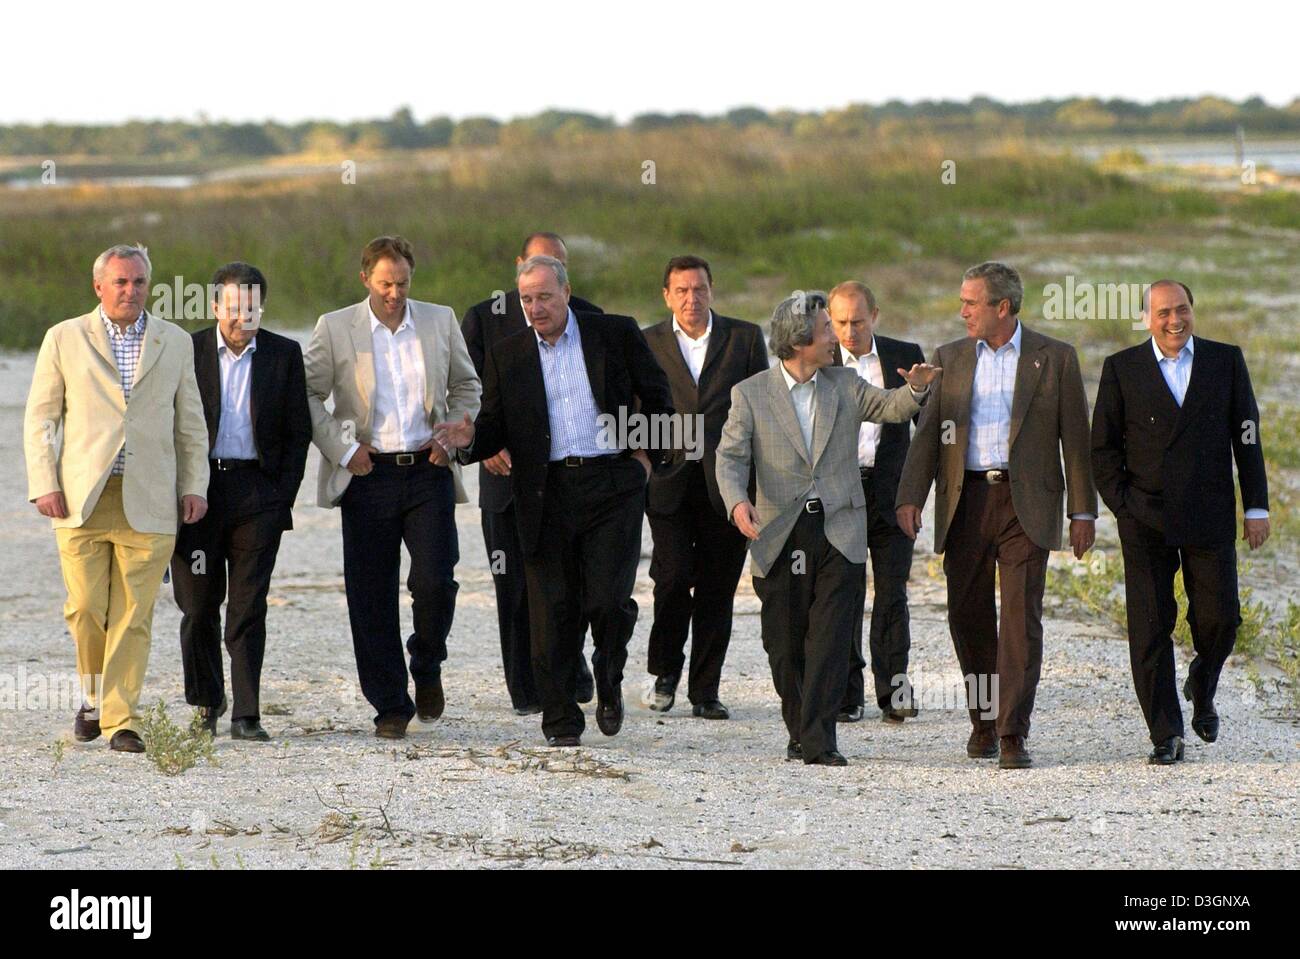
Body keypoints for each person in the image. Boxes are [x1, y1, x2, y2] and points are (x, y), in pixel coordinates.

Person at [436, 255, 674, 748]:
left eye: (544, 296)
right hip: (544, 492)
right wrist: (469, 438)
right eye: (527, 299)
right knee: (551, 611)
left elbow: (658, 398)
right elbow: (495, 425)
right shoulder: (509, 353)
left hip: (612, 485)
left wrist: (646, 462)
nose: (536, 308)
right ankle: (562, 721)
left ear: (567, 292)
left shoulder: (614, 333)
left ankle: (608, 672)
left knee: (607, 601)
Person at [716, 291, 938, 766]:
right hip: (779, 534)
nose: (835, 338)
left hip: (839, 530)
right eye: (825, 330)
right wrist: (737, 502)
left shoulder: (845, 383)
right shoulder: (750, 394)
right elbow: (730, 458)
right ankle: (800, 729)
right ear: (799, 342)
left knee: (831, 639)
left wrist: (916, 390)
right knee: (784, 644)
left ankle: (820, 740)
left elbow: (891, 407)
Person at [896, 262, 1096, 770]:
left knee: (1020, 621)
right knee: (968, 615)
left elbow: (1076, 440)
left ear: (1002, 307)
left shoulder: (1055, 358)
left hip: (1026, 503)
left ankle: (1012, 732)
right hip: (965, 502)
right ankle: (983, 720)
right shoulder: (949, 358)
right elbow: (929, 435)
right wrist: (910, 496)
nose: (962, 311)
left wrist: (1082, 511)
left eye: (971, 302)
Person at [24, 244, 209, 753]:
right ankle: (92, 698)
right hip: (81, 496)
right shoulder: (64, 337)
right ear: (99, 287)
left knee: (134, 613)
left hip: (150, 497)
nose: (131, 291)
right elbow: (41, 419)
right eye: (121, 282)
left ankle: (121, 718)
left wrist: (194, 485)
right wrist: (44, 481)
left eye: (139, 282)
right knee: (86, 607)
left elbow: (190, 423)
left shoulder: (174, 341)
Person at [304, 236, 481, 739]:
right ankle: (389, 705)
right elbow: (308, 394)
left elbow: (467, 385)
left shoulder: (439, 320)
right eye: (385, 284)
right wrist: (343, 449)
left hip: (429, 467)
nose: (395, 294)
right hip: (367, 473)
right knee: (371, 593)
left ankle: (426, 661)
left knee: (436, 579)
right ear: (365, 279)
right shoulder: (335, 327)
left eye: (402, 283)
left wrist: (452, 432)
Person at [1091, 279, 1269, 765]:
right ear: (1146, 318)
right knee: (1150, 625)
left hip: (1209, 511)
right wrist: (1122, 505)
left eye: (1183, 309)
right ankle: (1165, 733)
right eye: (1164, 312)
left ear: (1193, 309)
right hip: (1144, 515)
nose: (1175, 320)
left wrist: (1256, 506)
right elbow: (1102, 448)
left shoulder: (1225, 361)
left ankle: (1203, 682)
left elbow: (1247, 435)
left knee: (1221, 617)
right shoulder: (1121, 368)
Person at [169, 262, 312, 741]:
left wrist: (281, 496)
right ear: (215, 306)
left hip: (257, 495)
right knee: (197, 606)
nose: (241, 318)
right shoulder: (185, 351)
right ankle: (206, 703)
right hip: (197, 493)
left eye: (251, 308)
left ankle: (246, 714)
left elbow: (298, 432)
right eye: (232, 307)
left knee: (248, 606)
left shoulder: (283, 354)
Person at [461, 232, 598, 714]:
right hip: (505, 478)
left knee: (574, 583)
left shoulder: (592, 317)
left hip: (569, 481)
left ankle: (568, 664)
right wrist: (485, 445)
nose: (546, 272)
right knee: (515, 585)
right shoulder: (484, 318)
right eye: (537, 263)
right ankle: (525, 688)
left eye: (557, 264)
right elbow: (465, 389)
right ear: (519, 265)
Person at [642, 255, 769, 719]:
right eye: (681, 290)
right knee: (672, 578)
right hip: (669, 480)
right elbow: (635, 407)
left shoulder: (744, 338)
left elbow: (763, 408)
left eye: (699, 289)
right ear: (667, 296)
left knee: (718, 586)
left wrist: (758, 483)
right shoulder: (647, 342)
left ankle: (705, 690)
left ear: (711, 290)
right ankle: (664, 672)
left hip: (729, 483)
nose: (691, 299)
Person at [827, 280, 925, 724]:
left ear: (875, 316)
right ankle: (847, 694)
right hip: (838, 497)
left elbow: (928, 429)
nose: (849, 331)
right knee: (842, 594)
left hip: (893, 496)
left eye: (858, 322)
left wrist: (916, 494)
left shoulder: (904, 354)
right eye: (840, 322)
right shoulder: (819, 359)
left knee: (892, 594)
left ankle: (894, 691)